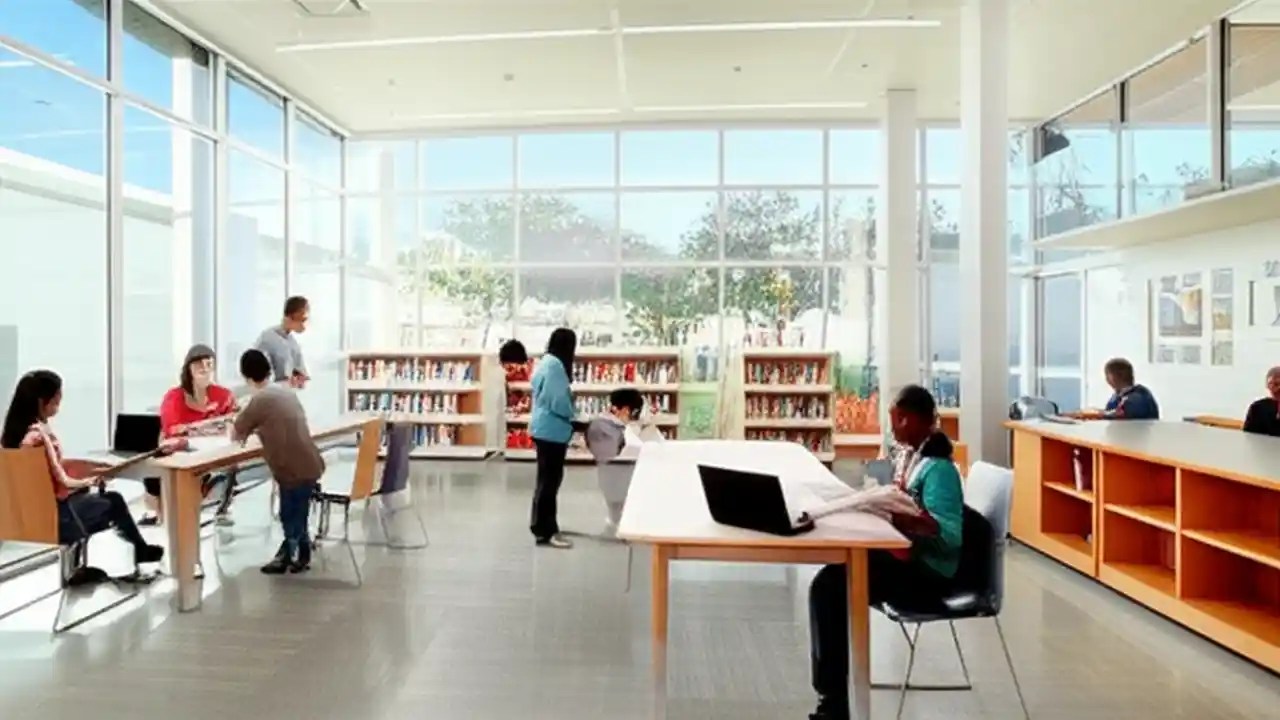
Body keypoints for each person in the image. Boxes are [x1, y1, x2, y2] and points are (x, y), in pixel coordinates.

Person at [808, 385, 964, 720]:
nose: (892, 429)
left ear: (909, 420)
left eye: (896, 421)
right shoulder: (913, 458)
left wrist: (900, 516)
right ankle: (832, 699)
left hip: (927, 573)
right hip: (906, 559)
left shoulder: (940, 470)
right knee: (831, 580)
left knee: (830, 587)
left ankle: (832, 705)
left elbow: (949, 536)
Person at [1, 370, 164, 566]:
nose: (59, 403)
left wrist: (92, 468)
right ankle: (139, 551)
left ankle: (83, 565)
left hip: (24, 520)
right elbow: (62, 482)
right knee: (113, 500)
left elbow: (51, 471)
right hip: (56, 519)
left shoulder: (11, 439)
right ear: (42, 401)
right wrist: (91, 480)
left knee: (95, 498)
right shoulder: (38, 438)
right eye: (57, 398)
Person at [232, 349, 326, 574]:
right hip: (311, 463)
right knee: (298, 514)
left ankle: (291, 556)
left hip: (291, 470)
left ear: (246, 377)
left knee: (289, 515)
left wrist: (240, 417)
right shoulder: (285, 393)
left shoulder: (259, 400)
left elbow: (237, 433)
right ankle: (299, 556)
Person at [140, 344, 239, 527]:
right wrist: (206, 427)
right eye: (199, 364)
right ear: (189, 368)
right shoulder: (174, 397)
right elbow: (172, 430)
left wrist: (196, 429)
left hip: (214, 455)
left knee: (230, 463)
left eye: (209, 363)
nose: (204, 368)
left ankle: (221, 506)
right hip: (180, 454)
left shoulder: (223, 395)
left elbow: (232, 422)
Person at [529, 327, 577, 549]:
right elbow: (558, 400)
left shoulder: (545, 361)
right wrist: (573, 415)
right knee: (550, 482)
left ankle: (542, 525)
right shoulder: (556, 366)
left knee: (544, 480)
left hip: (542, 427)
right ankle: (547, 531)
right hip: (552, 431)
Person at [584, 388, 655, 538]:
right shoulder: (602, 425)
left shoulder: (612, 423)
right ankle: (615, 525)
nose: (634, 417)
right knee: (616, 502)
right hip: (614, 474)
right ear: (624, 410)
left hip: (619, 473)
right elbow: (615, 449)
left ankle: (619, 524)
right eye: (634, 413)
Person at [254, 295, 310, 389]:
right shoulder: (267, 339)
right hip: (273, 396)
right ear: (291, 316)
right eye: (303, 319)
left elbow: (302, 372)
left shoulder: (292, 342)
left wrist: (301, 378)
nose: (305, 323)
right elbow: (261, 379)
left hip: (290, 394)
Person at [1243, 366, 1280, 437]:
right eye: (1274, 384)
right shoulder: (1257, 408)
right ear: (1267, 386)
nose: (1278, 388)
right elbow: (1248, 436)